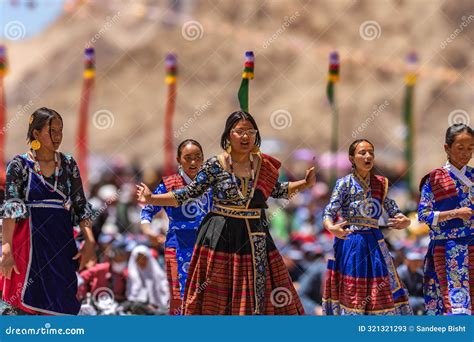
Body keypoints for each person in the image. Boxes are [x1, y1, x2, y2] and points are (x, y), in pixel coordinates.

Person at [137, 110, 315, 315]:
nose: (246, 136)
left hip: (256, 236)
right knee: (219, 294)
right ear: (229, 135)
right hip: (220, 236)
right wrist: (151, 199)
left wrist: (304, 184)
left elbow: (279, 190)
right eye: (240, 131)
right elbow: (187, 193)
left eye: (251, 131)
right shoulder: (216, 165)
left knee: (259, 291)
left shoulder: (263, 166)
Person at [0, 107, 96, 315]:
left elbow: (80, 205)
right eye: (52, 131)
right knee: (25, 303)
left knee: (63, 302)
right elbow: (11, 207)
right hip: (28, 243)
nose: (58, 136)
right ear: (36, 133)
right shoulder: (19, 165)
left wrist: (89, 240)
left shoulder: (68, 164)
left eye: (60, 130)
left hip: (61, 242)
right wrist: (6, 248)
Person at [322, 139, 412, 315]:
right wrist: (331, 228)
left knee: (380, 286)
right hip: (351, 242)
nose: (368, 156)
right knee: (353, 290)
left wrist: (405, 221)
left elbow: (394, 210)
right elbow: (328, 212)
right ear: (351, 158)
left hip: (375, 243)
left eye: (371, 152)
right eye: (362, 153)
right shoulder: (344, 184)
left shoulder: (381, 183)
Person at [140, 139, 211, 314]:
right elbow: (147, 210)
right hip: (178, 246)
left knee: (208, 296)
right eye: (188, 157)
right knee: (180, 296)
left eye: (197, 157)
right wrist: (148, 231)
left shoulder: (211, 184)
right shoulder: (169, 184)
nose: (193, 162)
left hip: (207, 246)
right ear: (179, 160)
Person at [418, 123, 473, 315]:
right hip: (447, 249)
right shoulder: (434, 179)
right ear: (447, 148)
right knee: (455, 305)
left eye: (470, 148)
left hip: (472, 247)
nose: (466, 154)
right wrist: (456, 213)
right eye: (460, 148)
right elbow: (423, 215)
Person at [126, 245, 169, 315]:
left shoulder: (157, 274)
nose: (141, 261)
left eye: (144, 258)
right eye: (138, 259)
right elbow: (131, 296)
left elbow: (164, 295)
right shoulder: (133, 275)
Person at [397, 250, 425, 315]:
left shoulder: (420, 274)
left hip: (417, 299)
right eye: (414, 261)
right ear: (407, 261)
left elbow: (422, 291)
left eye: (418, 261)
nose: (416, 263)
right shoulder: (400, 273)